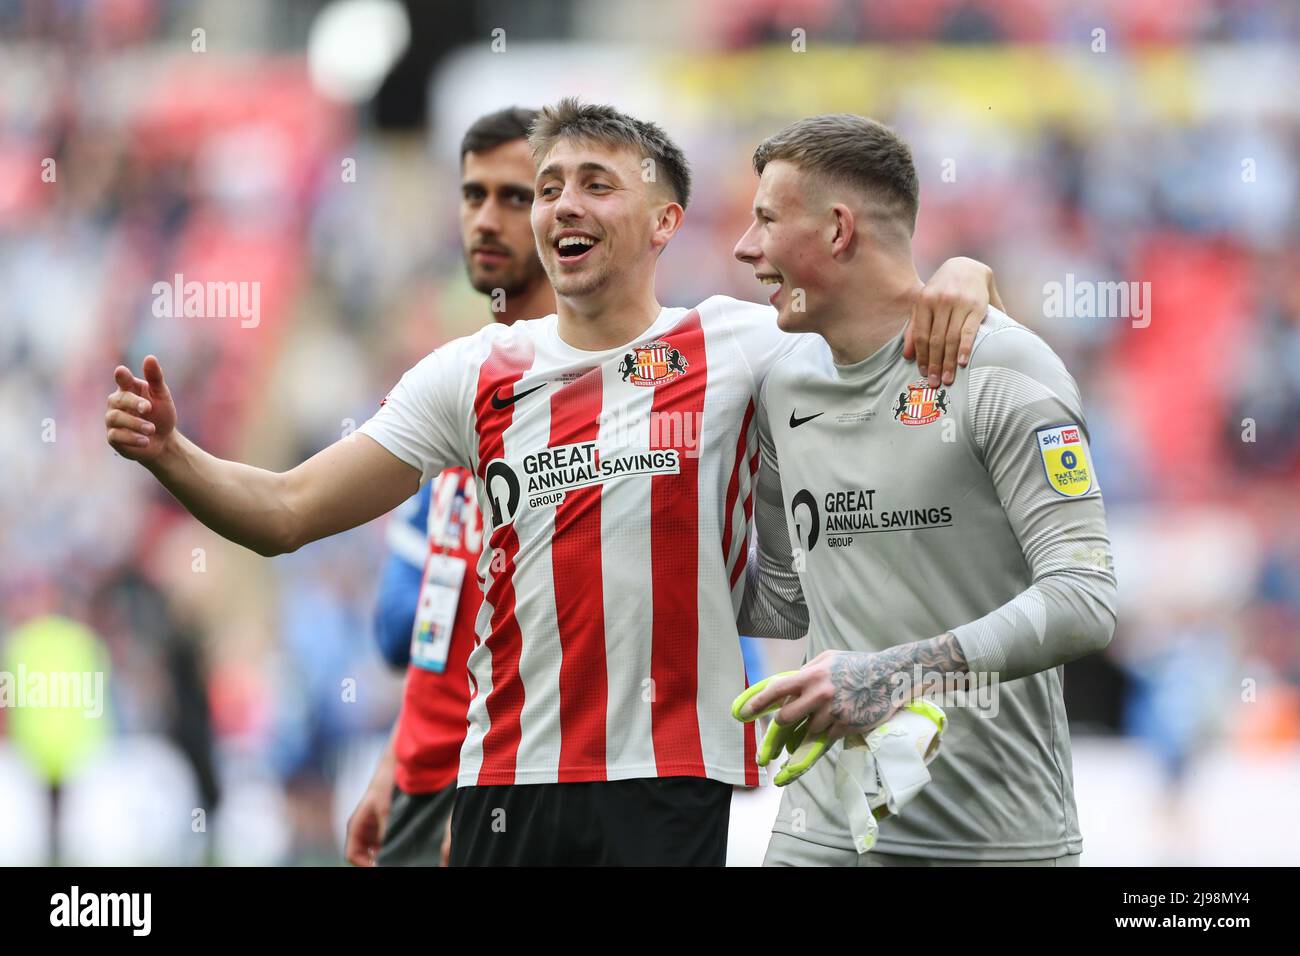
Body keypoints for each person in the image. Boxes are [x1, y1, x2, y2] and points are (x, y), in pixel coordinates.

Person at [104, 97, 996, 865]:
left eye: (598, 184)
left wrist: (962, 273)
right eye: (552, 185)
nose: (564, 203)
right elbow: (287, 511)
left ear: (664, 222)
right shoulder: (472, 372)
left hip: (670, 778)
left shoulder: (737, 344)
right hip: (506, 781)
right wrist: (174, 456)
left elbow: (897, 316)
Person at [732, 114, 1118, 866]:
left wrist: (893, 675)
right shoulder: (779, 383)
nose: (745, 247)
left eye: (767, 220)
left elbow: (1085, 598)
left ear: (839, 229)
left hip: (993, 840)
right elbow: (778, 597)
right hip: (816, 837)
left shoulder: (1005, 369)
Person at [345, 107, 553, 867]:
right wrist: (395, 758)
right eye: (473, 196)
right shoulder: (453, 384)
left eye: (515, 197)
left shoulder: (591, 388)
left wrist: (490, 809)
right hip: (420, 782)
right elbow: (442, 618)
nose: (486, 220)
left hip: (502, 793)